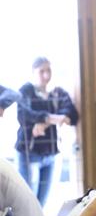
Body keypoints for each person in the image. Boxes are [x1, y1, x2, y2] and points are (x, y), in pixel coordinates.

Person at [15, 57, 79, 206]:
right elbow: (23, 115)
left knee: (41, 204)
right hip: (28, 154)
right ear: (33, 72)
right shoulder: (26, 91)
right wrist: (51, 118)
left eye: (48, 70)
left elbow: (72, 114)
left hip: (51, 155)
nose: (46, 75)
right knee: (27, 205)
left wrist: (44, 124)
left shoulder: (57, 92)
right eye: (41, 71)